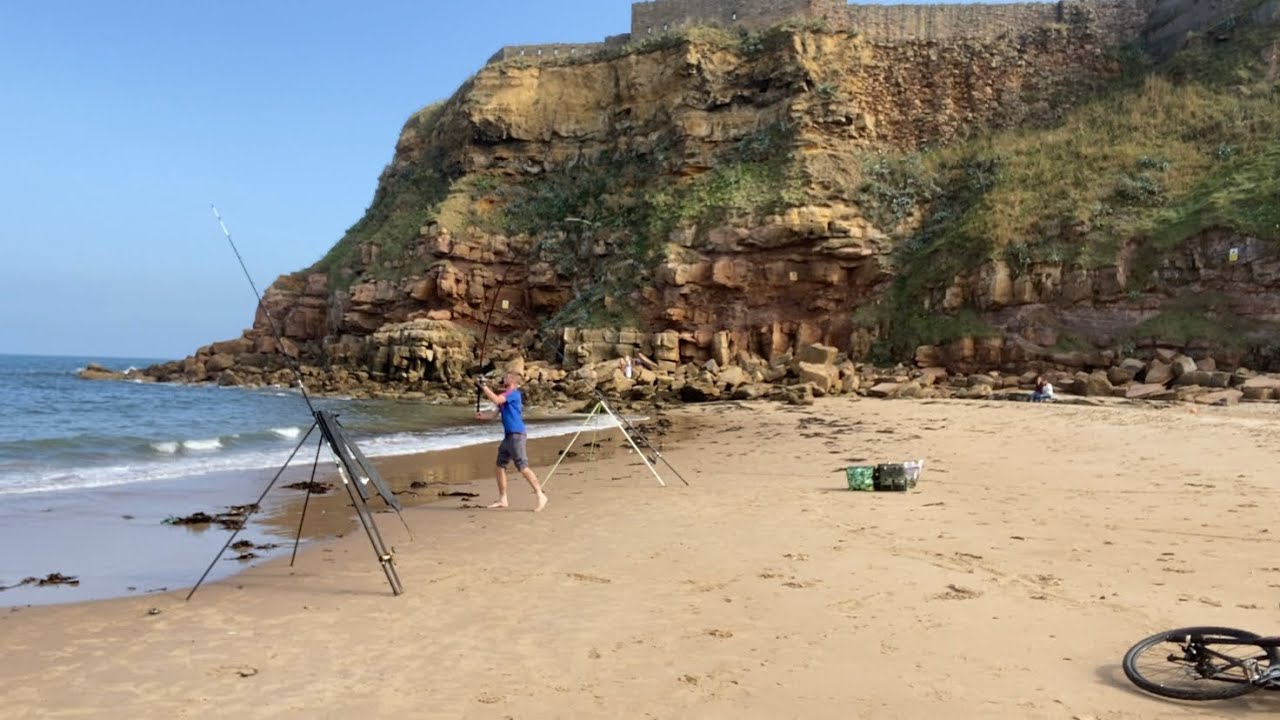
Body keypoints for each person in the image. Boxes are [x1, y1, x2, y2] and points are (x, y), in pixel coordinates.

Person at [476, 372, 548, 512]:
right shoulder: (505, 396)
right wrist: (483, 416)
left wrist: (483, 386)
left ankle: (541, 495)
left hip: (517, 435)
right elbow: (494, 414)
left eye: (507, 376)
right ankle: (503, 499)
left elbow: (497, 400)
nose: (504, 378)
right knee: (500, 466)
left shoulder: (513, 394)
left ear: (514, 381)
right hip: (508, 436)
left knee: (523, 467)